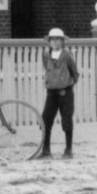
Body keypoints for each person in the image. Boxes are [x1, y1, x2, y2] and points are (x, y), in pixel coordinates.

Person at [35, 27, 80, 159]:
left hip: (65, 93)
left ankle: (68, 150)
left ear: (62, 41)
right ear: (49, 42)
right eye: (52, 40)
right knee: (46, 119)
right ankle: (46, 150)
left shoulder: (67, 55)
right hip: (51, 93)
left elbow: (75, 72)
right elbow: (47, 68)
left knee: (66, 119)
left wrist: (66, 83)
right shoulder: (46, 55)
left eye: (58, 39)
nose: (54, 42)